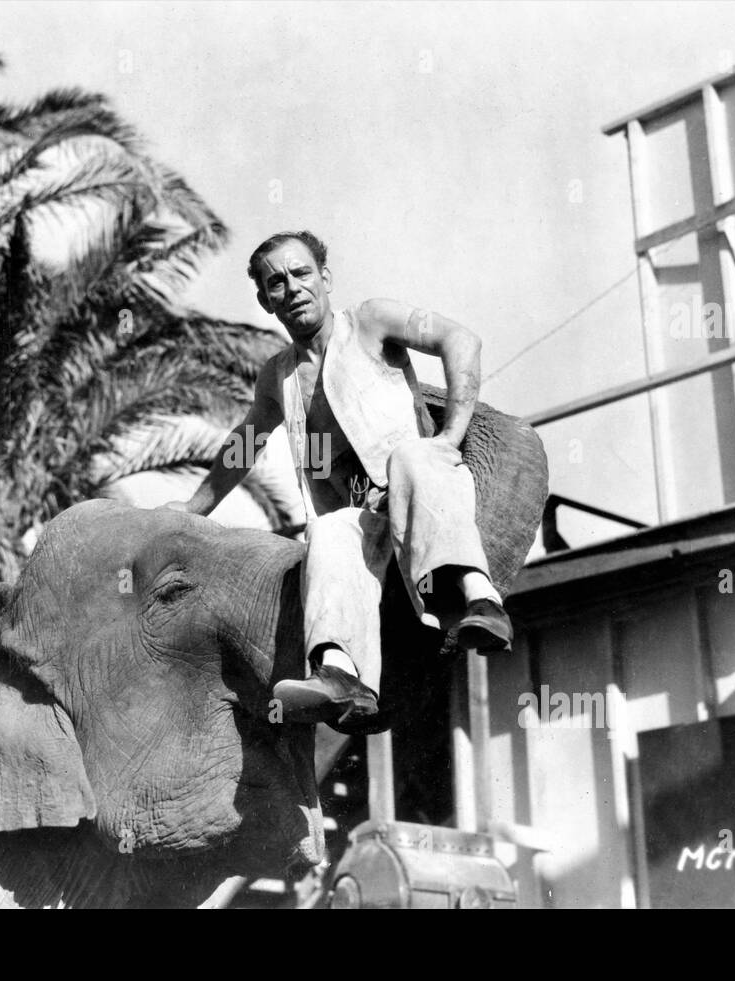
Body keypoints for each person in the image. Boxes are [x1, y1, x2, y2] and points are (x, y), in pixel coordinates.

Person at [169, 230, 511, 733]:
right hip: (361, 518)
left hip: (422, 487)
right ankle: (341, 675)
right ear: (266, 301)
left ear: (324, 278)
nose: (292, 288)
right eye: (276, 283)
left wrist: (451, 437)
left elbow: (460, 339)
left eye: (301, 273)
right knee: (327, 530)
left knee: (414, 458)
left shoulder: (370, 321)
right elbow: (247, 443)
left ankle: (480, 602)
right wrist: (192, 509)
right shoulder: (278, 376)